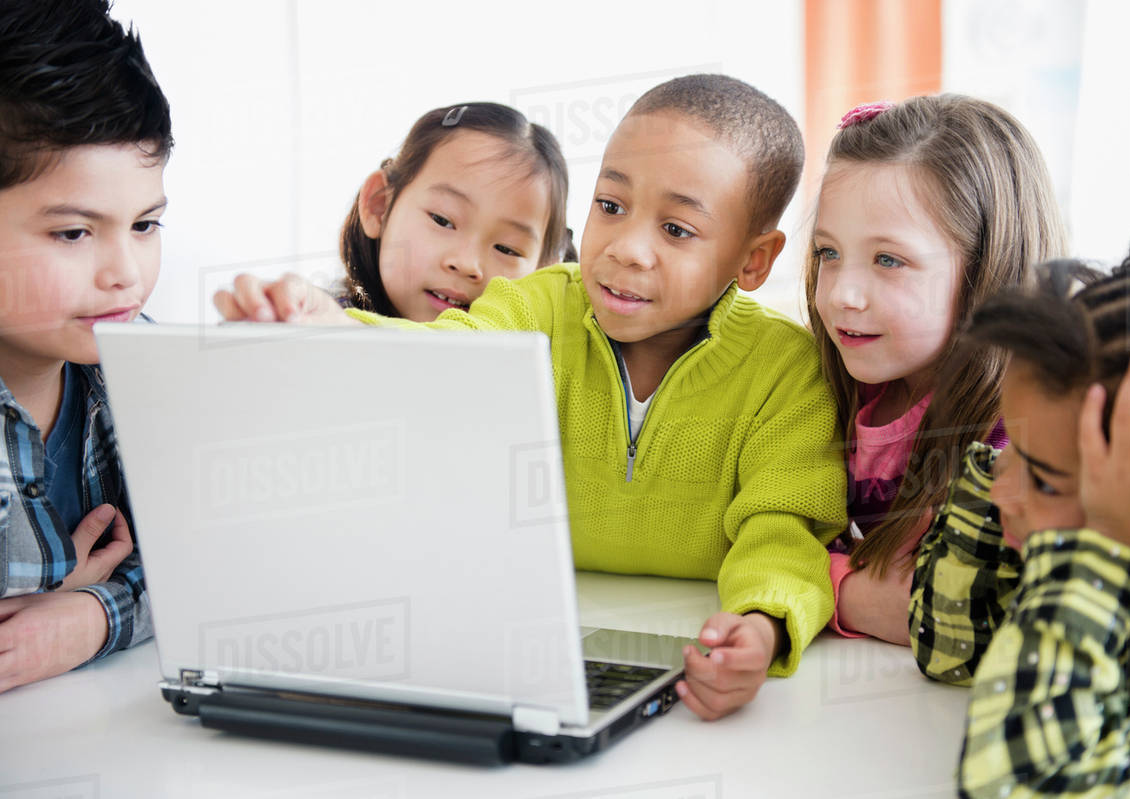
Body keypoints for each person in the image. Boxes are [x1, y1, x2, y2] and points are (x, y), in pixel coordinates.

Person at [215, 74, 847, 720]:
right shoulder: (538, 303)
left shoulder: (784, 368)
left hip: (677, 644)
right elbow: (440, 361)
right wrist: (328, 328)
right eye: (610, 204)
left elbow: (785, 529)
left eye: (677, 230)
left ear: (753, 261)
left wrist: (762, 622)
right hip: (518, 637)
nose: (627, 248)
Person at [910, 224, 1130, 796]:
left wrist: (1105, 554)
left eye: (1044, 479)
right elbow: (949, 650)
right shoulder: (1070, 548)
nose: (1000, 491)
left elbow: (1015, 785)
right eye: (1009, 450)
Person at [805, 95, 1067, 644]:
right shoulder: (832, 391)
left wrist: (828, 587)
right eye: (829, 253)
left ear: (988, 269)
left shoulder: (1022, 432)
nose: (842, 295)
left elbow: (969, 621)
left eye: (888, 260)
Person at [0, 0, 172, 692]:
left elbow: (221, 565)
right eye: (74, 233)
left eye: (145, 224)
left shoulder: (141, 362)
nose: (125, 273)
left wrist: (86, 617)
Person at [329, 102, 572, 320]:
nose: (467, 264)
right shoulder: (320, 327)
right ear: (379, 206)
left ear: (543, 273)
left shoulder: (545, 363)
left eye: (506, 249)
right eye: (442, 221)